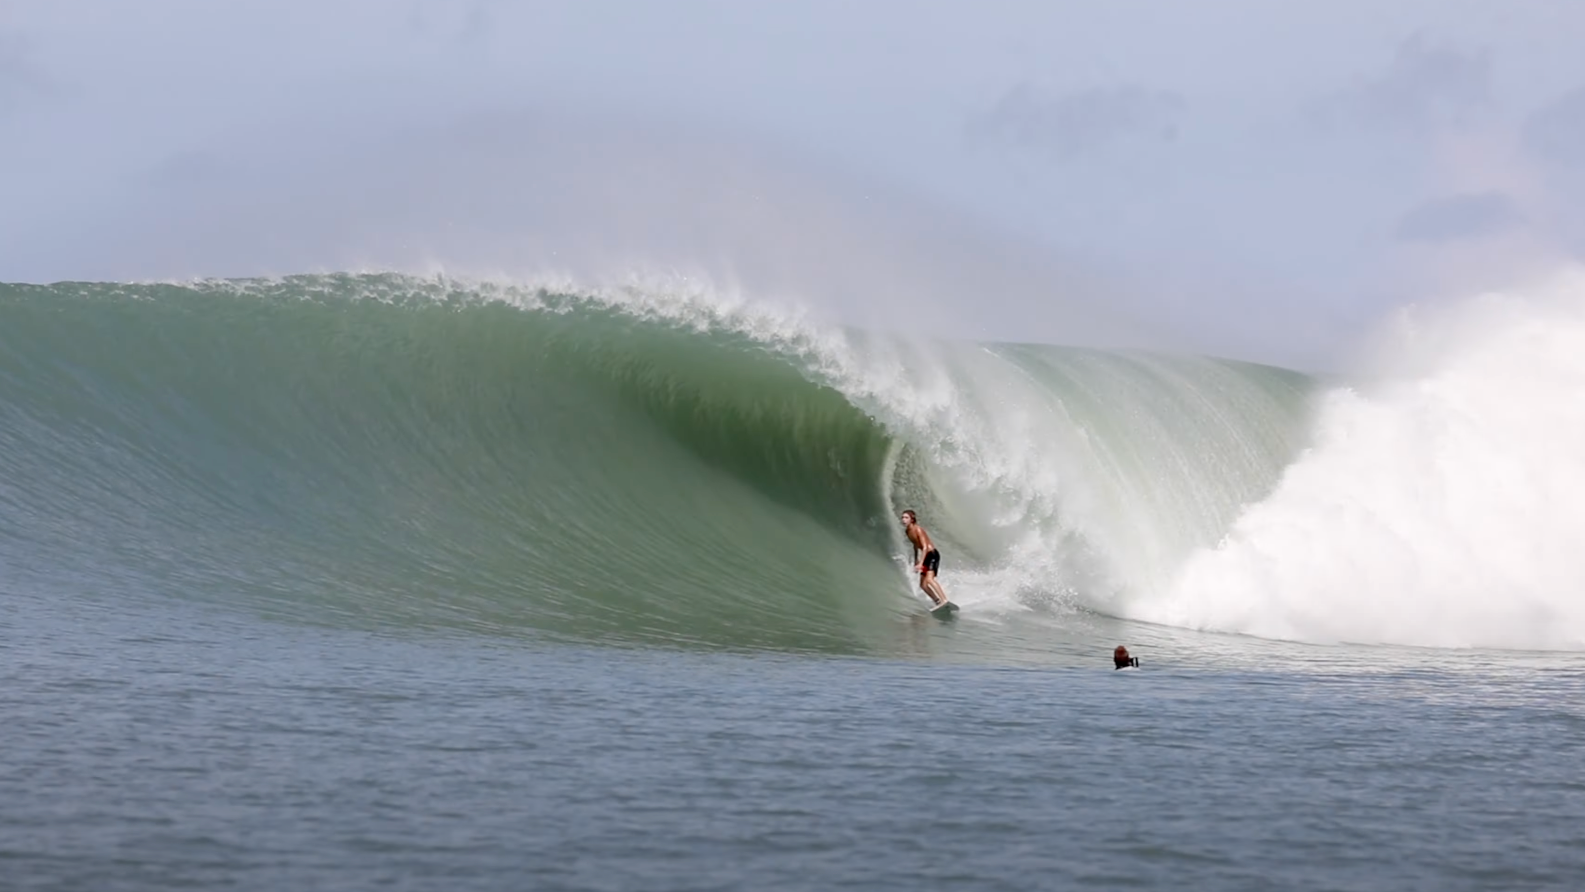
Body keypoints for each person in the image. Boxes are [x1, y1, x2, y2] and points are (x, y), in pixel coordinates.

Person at [900, 510, 950, 607]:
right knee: (923, 585)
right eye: (902, 517)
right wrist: (916, 560)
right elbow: (915, 545)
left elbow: (925, 547)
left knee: (929, 580)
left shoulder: (918, 529)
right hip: (925, 557)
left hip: (932, 554)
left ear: (912, 519)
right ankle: (937, 601)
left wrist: (921, 563)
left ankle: (944, 600)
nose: (903, 520)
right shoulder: (907, 531)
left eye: (906, 518)